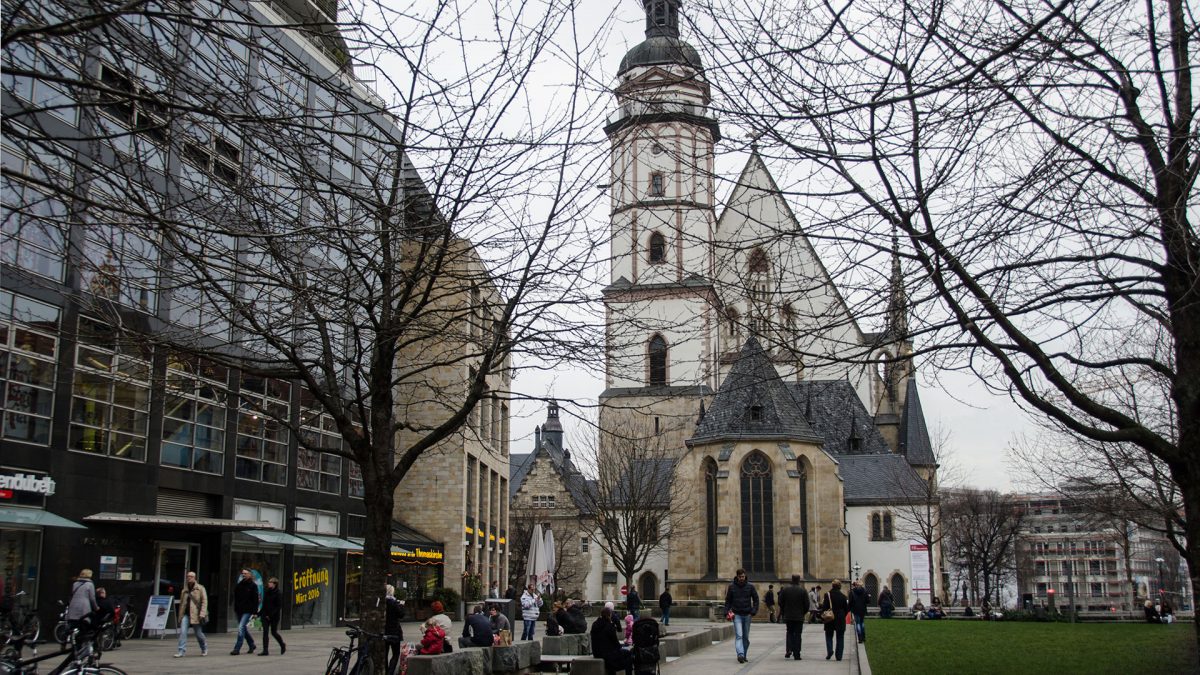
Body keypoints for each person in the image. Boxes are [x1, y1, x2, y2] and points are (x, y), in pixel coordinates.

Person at [723, 568, 759, 664]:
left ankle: (744, 655)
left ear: (745, 576)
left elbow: (756, 599)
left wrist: (753, 611)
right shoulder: (732, 587)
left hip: (747, 614)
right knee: (739, 635)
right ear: (737, 577)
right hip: (737, 614)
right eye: (740, 577)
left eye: (743, 576)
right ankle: (740, 654)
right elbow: (728, 601)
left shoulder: (750, 586)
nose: (741, 578)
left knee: (745, 637)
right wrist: (726, 612)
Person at [174, 571, 209, 658]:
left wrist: (202, 614)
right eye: (188, 576)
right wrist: (180, 616)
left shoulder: (200, 588)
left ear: (195, 578)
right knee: (183, 632)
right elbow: (182, 604)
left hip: (196, 615)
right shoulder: (184, 590)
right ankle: (181, 651)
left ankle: (204, 648)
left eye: (191, 576)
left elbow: (204, 602)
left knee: (198, 634)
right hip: (185, 614)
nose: (189, 578)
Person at [590, 607, 633, 675]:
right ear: (609, 615)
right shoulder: (609, 626)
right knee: (628, 654)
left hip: (596, 653)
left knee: (618, 655)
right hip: (607, 654)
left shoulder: (594, 624)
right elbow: (616, 643)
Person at [778, 574, 810, 660]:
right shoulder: (803, 590)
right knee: (798, 634)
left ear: (791, 579)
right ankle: (797, 653)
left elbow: (780, 602)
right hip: (799, 616)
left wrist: (784, 611)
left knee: (789, 632)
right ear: (799, 580)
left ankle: (788, 650)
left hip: (788, 616)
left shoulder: (785, 590)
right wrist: (803, 612)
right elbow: (807, 604)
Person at [230, 568, 259, 655]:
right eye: (243, 573)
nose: (243, 575)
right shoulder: (239, 585)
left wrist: (255, 612)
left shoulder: (253, 586)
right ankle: (251, 644)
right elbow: (236, 597)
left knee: (241, 627)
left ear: (250, 574)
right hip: (239, 609)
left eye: (245, 573)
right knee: (243, 628)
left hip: (248, 610)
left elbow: (255, 600)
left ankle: (237, 648)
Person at [819, 579, 849, 661]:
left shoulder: (827, 595)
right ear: (839, 586)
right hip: (840, 618)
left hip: (830, 618)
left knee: (829, 635)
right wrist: (842, 615)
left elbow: (824, 608)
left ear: (832, 586)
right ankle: (839, 656)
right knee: (840, 637)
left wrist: (822, 616)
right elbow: (846, 609)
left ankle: (829, 650)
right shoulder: (843, 596)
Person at [66, 569, 98, 634]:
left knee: (74, 623)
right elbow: (92, 598)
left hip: (73, 605)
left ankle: (72, 636)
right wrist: (96, 607)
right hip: (84, 607)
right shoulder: (90, 584)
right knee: (84, 623)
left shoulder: (75, 584)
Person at [259, 577, 285, 656]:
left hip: (274, 616)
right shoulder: (267, 592)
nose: (269, 583)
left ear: (275, 584)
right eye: (269, 582)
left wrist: (270, 615)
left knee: (274, 632)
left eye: (271, 582)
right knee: (265, 632)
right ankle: (265, 650)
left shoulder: (278, 593)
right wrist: (259, 613)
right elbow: (264, 604)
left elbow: (278, 606)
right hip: (265, 614)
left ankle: (282, 644)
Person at [384, 584, 404, 673]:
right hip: (394, 631)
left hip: (384, 630)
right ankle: (390, 671)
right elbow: (401, 614)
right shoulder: (394, 603)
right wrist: (401, 605)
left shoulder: (382, 602)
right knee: (396, 653)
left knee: (385, 653)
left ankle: (385, 670)